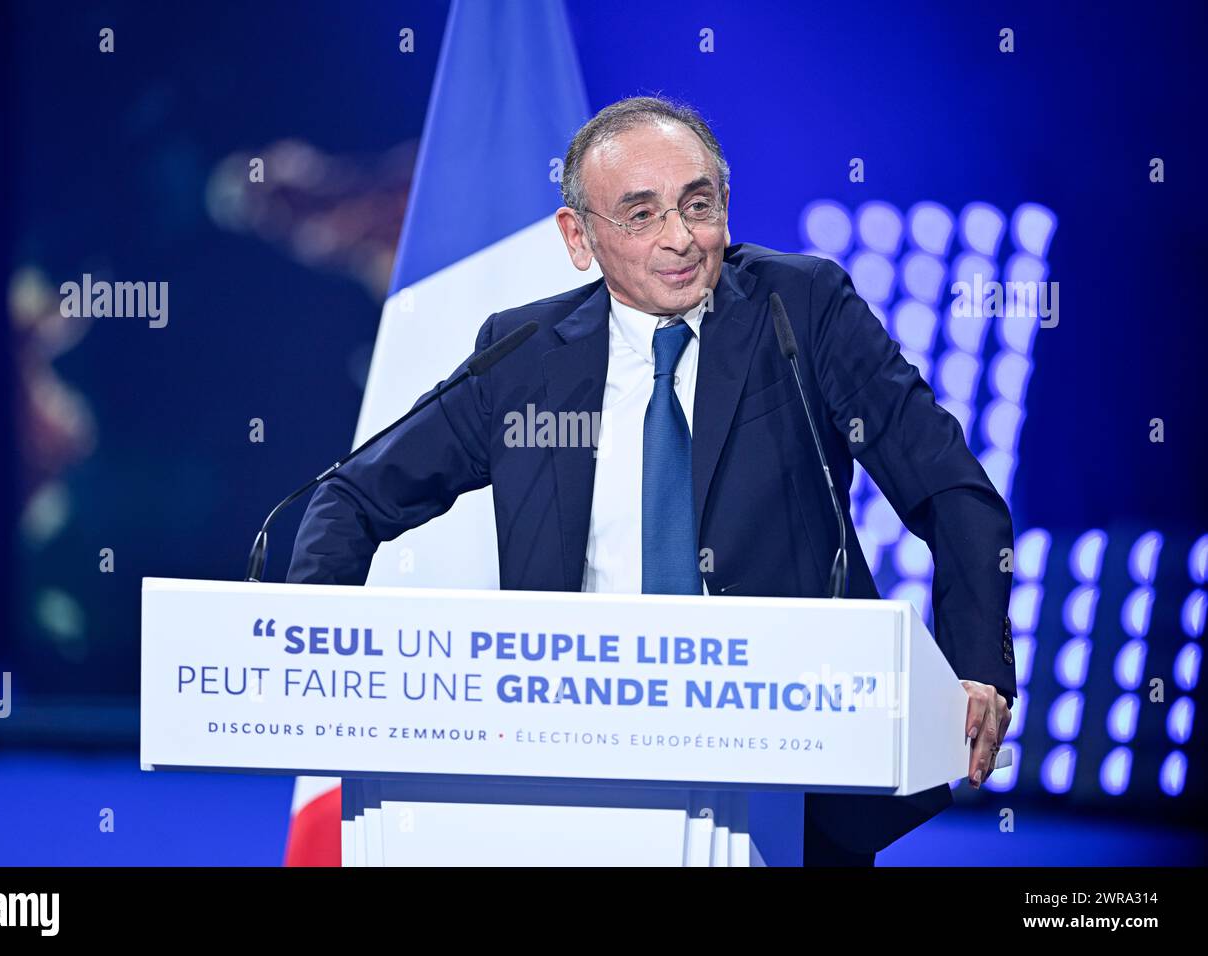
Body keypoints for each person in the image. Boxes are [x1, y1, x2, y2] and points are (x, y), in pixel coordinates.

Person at [288, 96, 1016, 865]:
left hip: (790, 761)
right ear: (579, 238)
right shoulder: (524, 355)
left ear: (726, 209)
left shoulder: (801, 309)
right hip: (576, 769)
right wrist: (302, 652)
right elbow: (354, 496)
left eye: (697, 206)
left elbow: (951, 492)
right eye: (640, 215)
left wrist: (974, 665)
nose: (680, 239)